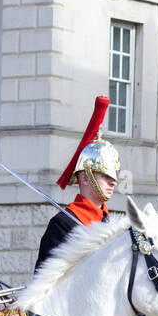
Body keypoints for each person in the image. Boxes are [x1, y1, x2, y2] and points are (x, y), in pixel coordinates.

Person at [36, 95, 120, 270]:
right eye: (106, 176)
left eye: (114, 177)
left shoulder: (112, 224)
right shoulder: (63, 224)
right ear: (85, 178)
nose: (114, 183)